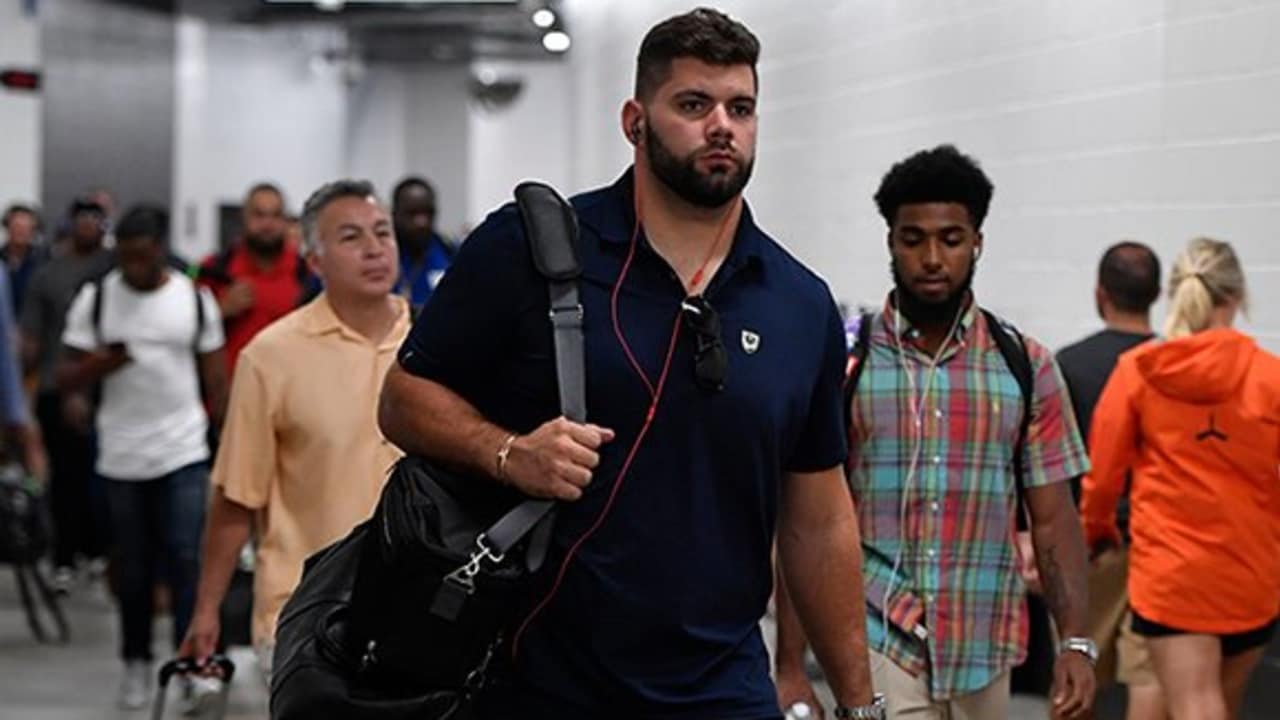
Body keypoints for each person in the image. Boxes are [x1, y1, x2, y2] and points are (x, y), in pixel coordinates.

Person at [378, 8, 878, 718]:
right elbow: (402, 398)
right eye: (693, 104)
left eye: (741, 108)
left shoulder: (799, 306)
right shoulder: (533, 249)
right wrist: (507, 452)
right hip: (538, 683)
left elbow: (819, 520)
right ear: (634, 120)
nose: (721, 127)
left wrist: (859, 704)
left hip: (723, 690)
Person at [777, 145, 1096, 720]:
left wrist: (1075, 641)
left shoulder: (1024, 366)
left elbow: (1054, 519)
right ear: (891, 242)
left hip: (985, 644)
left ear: (977, 242)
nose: (931, 257)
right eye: (912, 238)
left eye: (950, 239)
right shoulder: (847, 361)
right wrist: (791, 666)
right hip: (874, 636)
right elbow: (809, 519)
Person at [178, 180, 409, 687]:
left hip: (413, 612)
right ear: (313, 260)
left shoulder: (432, 345)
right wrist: (206, 610)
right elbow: (237, 497)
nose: (374, 249)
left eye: (382, 233)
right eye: (350, 237)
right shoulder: (271, 357)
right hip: (306, 614)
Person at [1081, 237, 1280, 720]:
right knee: (1220, 705)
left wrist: (1098, 531)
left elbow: (1103, 478)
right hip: (1251, 573)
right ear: (1237, 298)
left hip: (1174, 575)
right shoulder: (1270, 377)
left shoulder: (1140, 373)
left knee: (1194, 703)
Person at [57, 205, 228, 710]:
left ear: (160, 249)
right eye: (125, 256)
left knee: (185, 560)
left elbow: (215, 381)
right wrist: (100, 366)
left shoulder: (193, 300)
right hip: (121, 453)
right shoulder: (98, 299)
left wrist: (228, 444)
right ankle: (134, 661)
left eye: (142, 256)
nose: (132, 266)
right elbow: (64, 377)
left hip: (183, 448)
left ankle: (193, 665)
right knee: (131, 568)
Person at [1057, 241, 1164, 718]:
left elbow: (1052, 465)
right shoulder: (1172, 364)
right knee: (1149, 675)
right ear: (1157, 294)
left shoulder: (1069, 364)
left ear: (1100, 294)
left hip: (1092, 541)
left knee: (1078, 671)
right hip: (1159, 539)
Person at [20, 197, 114, 590]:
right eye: (83, 219)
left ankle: (99, 551)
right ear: (70, 224)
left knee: (104, 476)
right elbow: (31, 338)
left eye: (97, 219)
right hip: (57, 387)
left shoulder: (115, 270)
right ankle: (63, 556)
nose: (89, 226)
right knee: (64, 479)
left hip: (107, 389)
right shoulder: (49, 274)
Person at [197, 183, 313, 377]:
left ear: (286, 222)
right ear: (243, 218)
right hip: (230, 396)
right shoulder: (214, 269)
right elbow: (183, 333)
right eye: (259, 215)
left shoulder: (307, 274)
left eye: (275, 216)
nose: (267, 224)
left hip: (290, 395)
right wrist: (220, 311)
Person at [390, 176, 453, 314]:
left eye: (428, 213)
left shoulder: (451, 253)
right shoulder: (380, 257)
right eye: (412, 214)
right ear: (394, 214)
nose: (421, 222)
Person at [1, 203, 49, 315]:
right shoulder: (2, 260)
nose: (20, 232)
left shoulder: (44, 260)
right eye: (16, 227)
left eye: (25, 228)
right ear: (8, 228)